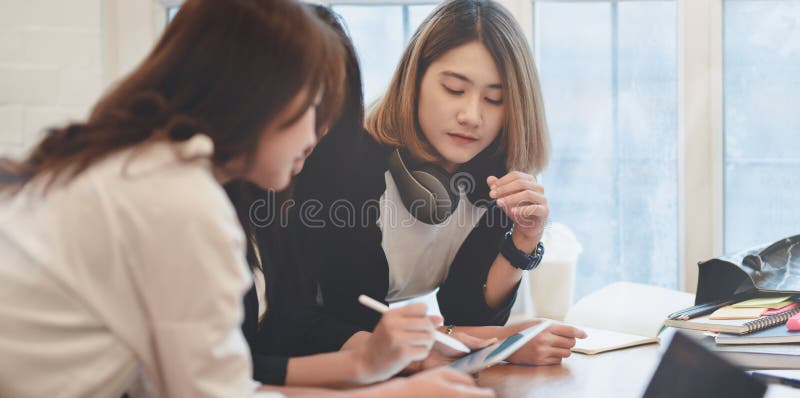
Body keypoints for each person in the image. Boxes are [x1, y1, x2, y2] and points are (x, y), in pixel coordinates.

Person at [0, 0, 493, 397]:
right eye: (312, 107)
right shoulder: (178, 199)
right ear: (259, 99)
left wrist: (366, 364)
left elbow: (196, 377)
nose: (317, 135)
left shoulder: (138, 168)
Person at [288, 0, 588, 366]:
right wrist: (501, 342)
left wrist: (524, 241)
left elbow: (468, 313)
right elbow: (355, 320)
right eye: (454, 89)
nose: (471, 115)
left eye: (494, 99)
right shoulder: (348, 161)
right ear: (414, 81)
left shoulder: (491, 177)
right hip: (307, 351)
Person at [227, 4, 495, 388]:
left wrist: (386, 355)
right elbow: (209, 381)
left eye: (331, 114)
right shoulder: (190, 206)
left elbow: (287, 331)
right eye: (309, 111)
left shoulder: (267, 195)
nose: (318, 136)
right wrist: (392, 387)